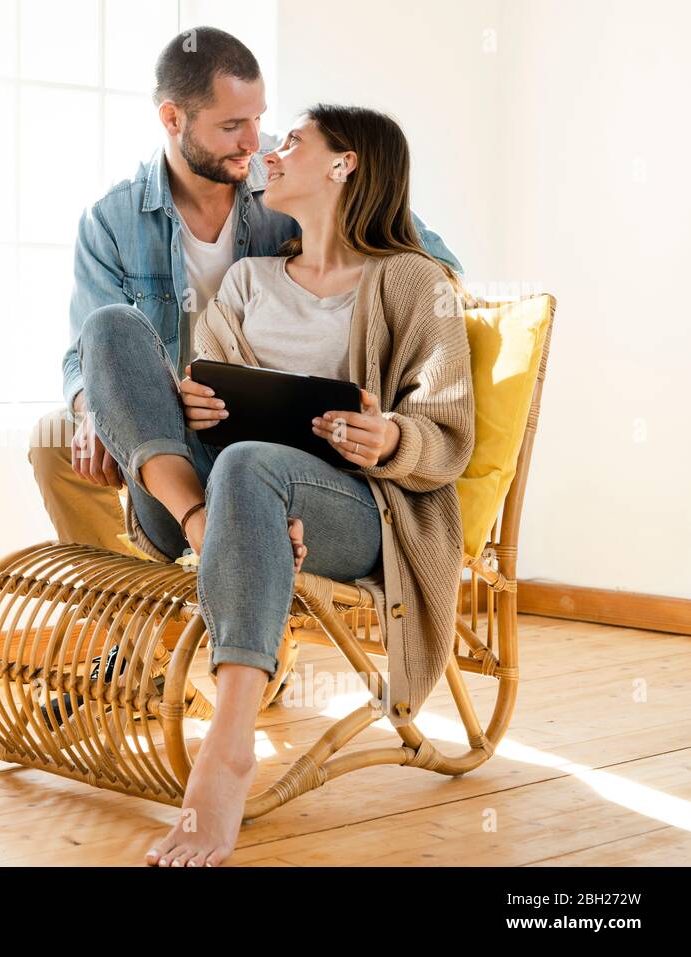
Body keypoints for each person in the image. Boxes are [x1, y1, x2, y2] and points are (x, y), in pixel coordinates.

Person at [76, 103, 476, 867]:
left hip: (352, 508)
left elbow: (448, 428)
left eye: (292, 139)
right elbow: (208, 391)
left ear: (344, 164)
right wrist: (194, 400)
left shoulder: (415, 283)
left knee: (247, 465)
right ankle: (205, 524)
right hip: (203, 496)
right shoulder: (248, 281)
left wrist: (391, 434)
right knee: (111, 329)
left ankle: (226, 756)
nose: (269, 151)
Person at [28, 26, 461, 560]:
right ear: (172, 119)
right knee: (53, 440)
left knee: (251, 463)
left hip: (274, 420)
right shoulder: (112, 220)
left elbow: (410, 245)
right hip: (162, 409)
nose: (255, 144)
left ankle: (215, 553)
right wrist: (96, 409)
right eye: (232, 126)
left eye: (258, 119)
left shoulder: (290, 178)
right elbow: (84, 353)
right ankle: (143, 616)